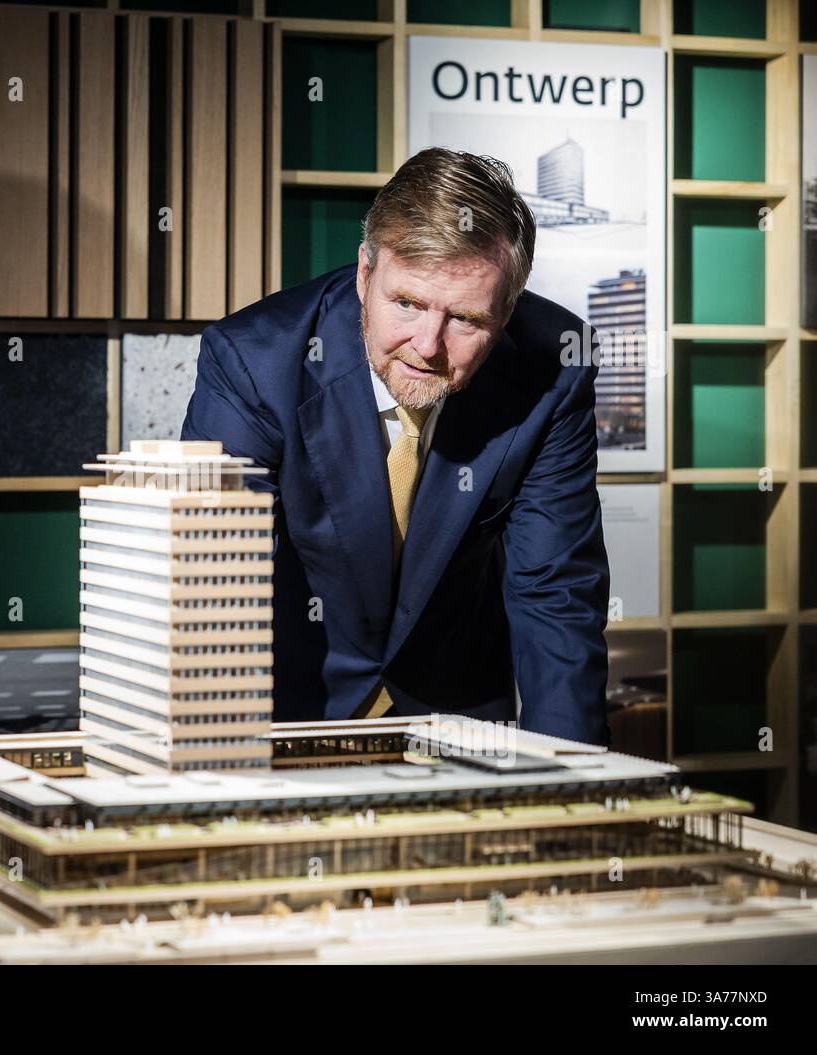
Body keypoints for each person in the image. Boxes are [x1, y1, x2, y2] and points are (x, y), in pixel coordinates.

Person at [180, 147, 611, 744]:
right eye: (406, 303)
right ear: (364, 274)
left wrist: (576, 785)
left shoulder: (555, 367)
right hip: (290, 712)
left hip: (458, 718)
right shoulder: (255, 359)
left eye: (465, 319)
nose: (427, 345)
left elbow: (555, 594)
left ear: (507, 310)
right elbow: (214, 585)